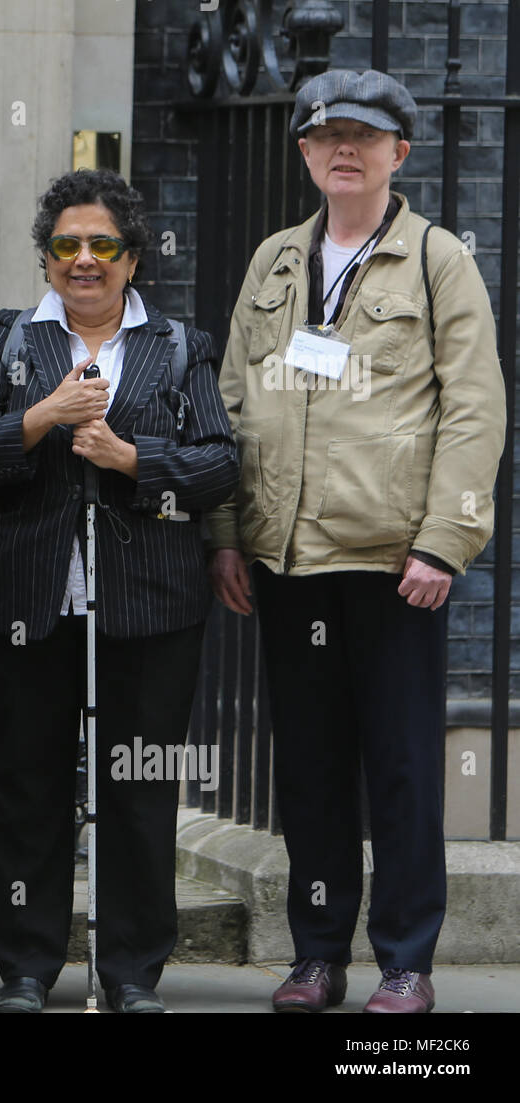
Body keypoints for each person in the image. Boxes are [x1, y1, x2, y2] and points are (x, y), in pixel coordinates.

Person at [208, 70, 505, 1014]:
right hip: (285, 559)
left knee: (405, 766)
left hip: (391, 563)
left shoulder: (436, 259)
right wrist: (224, 531)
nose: (345, 148)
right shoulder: (275, 262)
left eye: (365, 136)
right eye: (327, 134)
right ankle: (318, 953)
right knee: (308, 766)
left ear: (398, 153)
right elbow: (230, 396)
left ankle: (408, 960)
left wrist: (445, 541)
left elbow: (475, 407)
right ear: (303, 152)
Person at [0, 169, 237, 1013]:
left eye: (102, 245)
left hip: (150, 605)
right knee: (25, 786)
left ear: (132, 258)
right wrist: (44, 416)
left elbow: (220, 465)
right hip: (24, 599)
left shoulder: (180, 346)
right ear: (45, 258)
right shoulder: (12, 341)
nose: (83, 260)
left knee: (137, 789)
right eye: (66, 245)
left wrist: (133, 461)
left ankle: (132, 969)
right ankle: (27, 965)